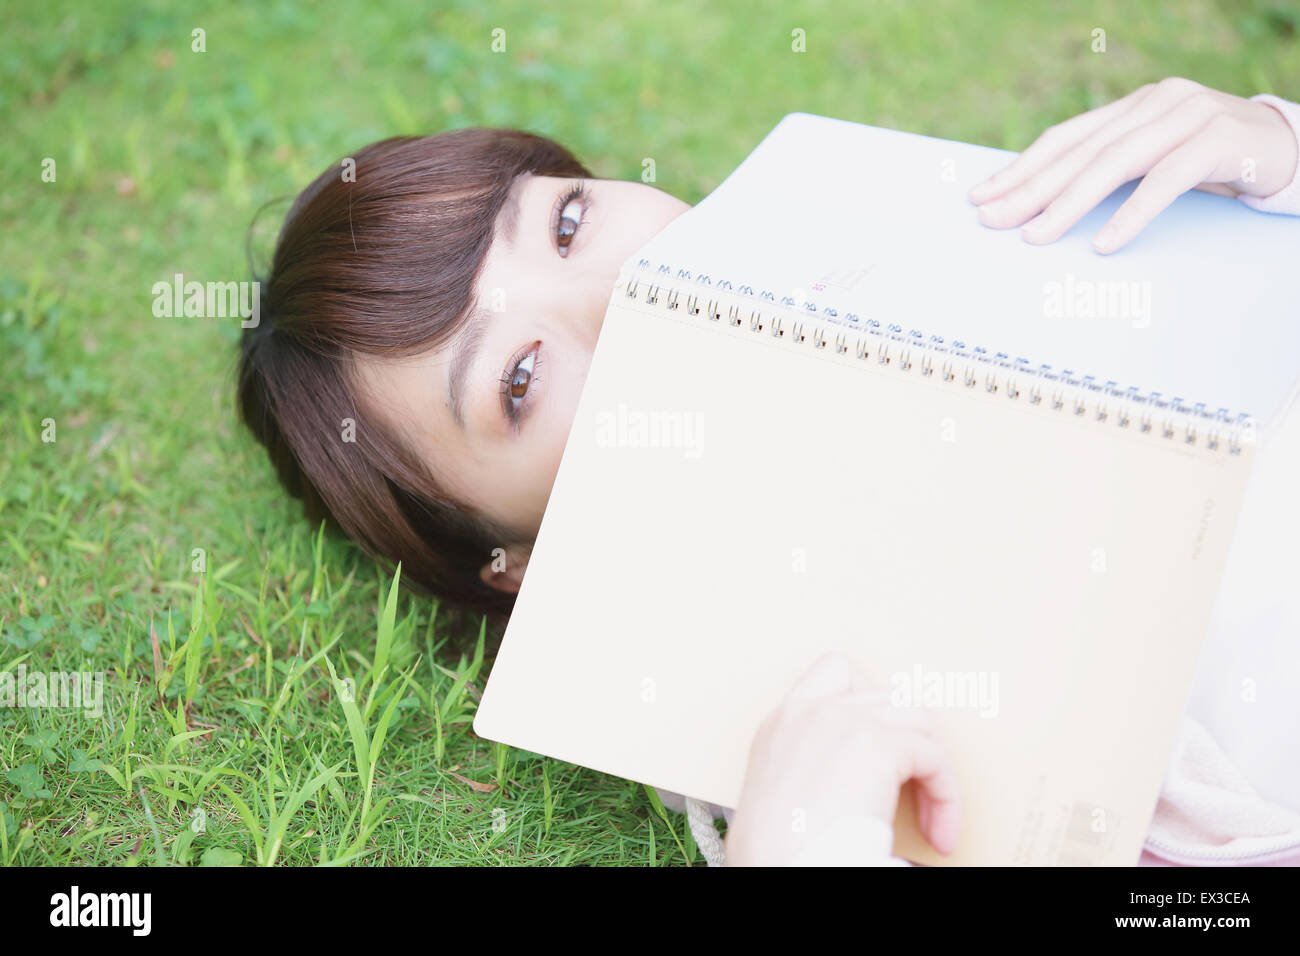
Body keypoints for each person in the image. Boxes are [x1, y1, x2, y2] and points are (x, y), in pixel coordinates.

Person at [238, 79, 1300, 865]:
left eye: (567, 222)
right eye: (519, 380)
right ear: (514, 562)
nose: (619, 286)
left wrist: (1276, 151)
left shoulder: (966, 237)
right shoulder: (799, 734)